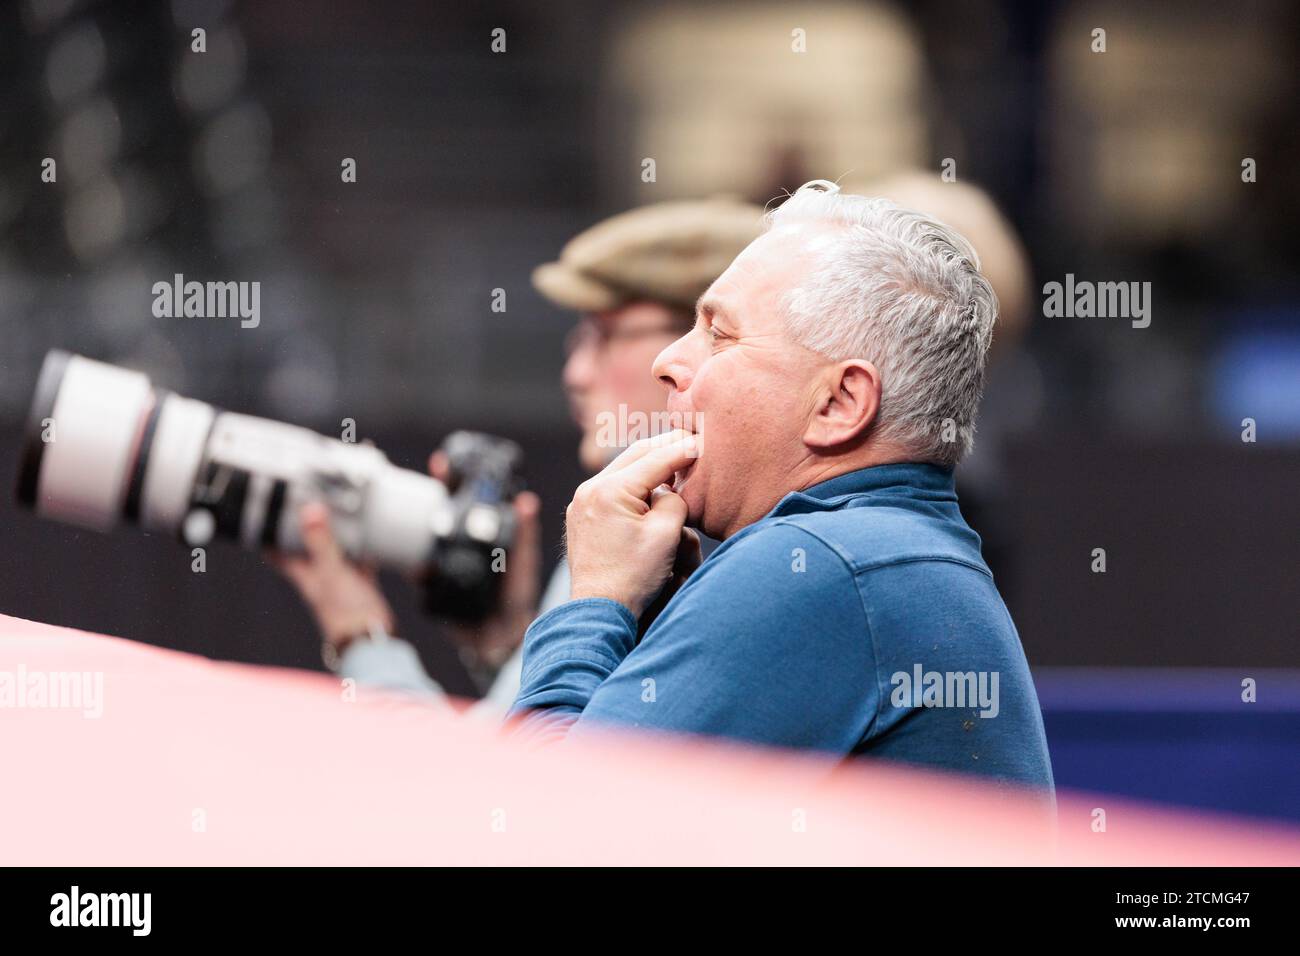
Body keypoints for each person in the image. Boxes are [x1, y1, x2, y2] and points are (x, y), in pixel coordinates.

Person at [508, 180, 1055, 792]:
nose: (668, 362)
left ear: (840, 403)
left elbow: (539, 826)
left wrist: (595, 600)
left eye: (720, 334)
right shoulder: (886, 554)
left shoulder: (818, 565)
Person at [273, 197, 764, 713]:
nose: (574, 374)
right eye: (577, 339)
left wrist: (361, 637)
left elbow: (481, 784)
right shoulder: (644, 512)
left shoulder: (679, 533)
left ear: (704, 340)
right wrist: (507, 644)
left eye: (604, 337)